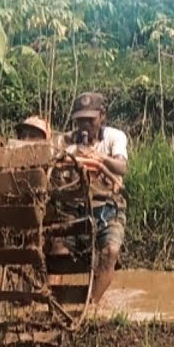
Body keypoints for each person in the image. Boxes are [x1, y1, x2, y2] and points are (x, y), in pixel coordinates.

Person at [57, 92, 129, 308]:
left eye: (90, 120)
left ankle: (92, 305)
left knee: (111, 252)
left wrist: (99, 158)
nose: (85, 126)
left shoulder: (114, 137)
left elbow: (122, 167)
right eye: (80, 121)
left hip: (107, 208)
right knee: (56, 250)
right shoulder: (66, 142)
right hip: (74, 209)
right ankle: (55, 301)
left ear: (102, 116)